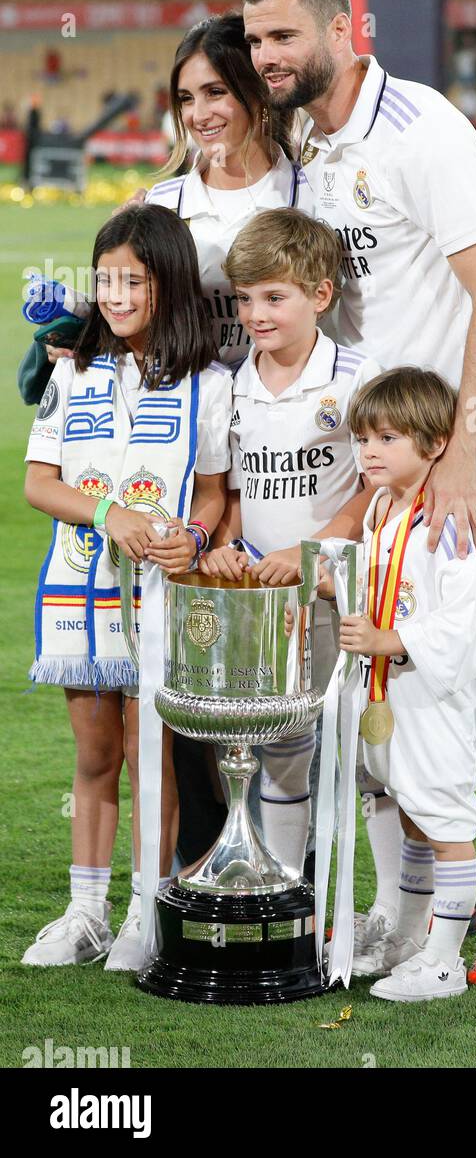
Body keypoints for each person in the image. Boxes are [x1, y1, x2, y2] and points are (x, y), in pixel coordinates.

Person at [242, 0, 476, 983]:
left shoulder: (421, 130)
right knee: (383, 669)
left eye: (284, 37)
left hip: (463, 444)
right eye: (254, 41)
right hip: (381, 452)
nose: (267, 57)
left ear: (343, 29)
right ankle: (406, 908)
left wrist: (461, 454)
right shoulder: (304, 144)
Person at [21, 204, 231, 969]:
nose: (113, 295)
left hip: (160, 597)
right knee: (94, 754)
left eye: (132, 282)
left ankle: (148, 909)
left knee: (152, 754)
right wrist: (110, 513)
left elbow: (214, 490)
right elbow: (39, 485)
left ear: (168, 286)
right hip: (77, 592)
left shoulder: (208, 384)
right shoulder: (71, 369)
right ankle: (85, 913)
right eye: (104, 278)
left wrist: (197, 536)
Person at [199, 209, 379, 874]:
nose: (256, 315)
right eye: (245, 299)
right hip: (267, 599)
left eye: (275, 297)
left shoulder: (356, 375)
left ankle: (380, 910)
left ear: (321, 296)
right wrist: (224, 546)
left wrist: (315, 556)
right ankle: (286, 891)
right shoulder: (230, 387)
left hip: (336, 592)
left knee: (361, 750)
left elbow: (375, 488)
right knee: (277, 744)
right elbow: (239, 495)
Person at [340, 367, 476, 1001]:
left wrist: (391, 640)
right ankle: (409, 937)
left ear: (435, 445)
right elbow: (386, 584)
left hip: (437, 699)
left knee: (447, 825)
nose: (370, 452)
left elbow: (463, 620)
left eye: (388, 439)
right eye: (364, 439)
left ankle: (445, 961)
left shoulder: (447, 518)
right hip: (391, 695)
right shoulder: (381, 507)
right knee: (407, 812)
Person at [147, 11, 305, 366]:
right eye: (186, 98)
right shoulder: (160, 208)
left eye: (215, 92)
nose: (198, 115)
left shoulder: (314, 197)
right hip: (191, 413)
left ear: (257, 93)